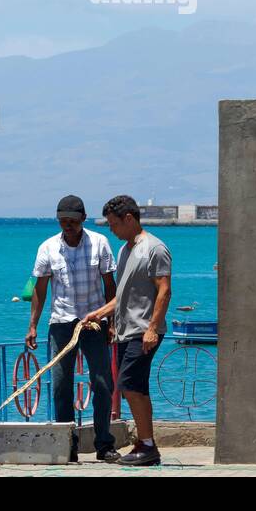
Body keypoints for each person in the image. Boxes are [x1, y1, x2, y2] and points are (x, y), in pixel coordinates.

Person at [25, 194, 119, 463]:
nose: (67, 226)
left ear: (83, 220)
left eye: (72, 221)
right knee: (60, 385)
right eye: (62, 221)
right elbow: (40, 290)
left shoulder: (100, 243)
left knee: (102, 382)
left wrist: (110, 323)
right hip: (61, 324)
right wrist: (32, 325)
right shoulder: (48, 248)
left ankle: (104, 444)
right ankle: (67, 445)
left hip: (94, 322)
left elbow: (109, 286)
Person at [84, 194, 172, 467]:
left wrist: (152, 328)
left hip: (143, 331)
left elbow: (164, 290)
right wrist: (99, 313)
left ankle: (146, 445)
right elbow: (121, 296)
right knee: (134, 387)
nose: (111, 229)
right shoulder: (124, 251)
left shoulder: (154, 248)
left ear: (129, 219)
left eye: (114, 224)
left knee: (130, 385)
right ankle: (146, 444)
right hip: (125, 331)